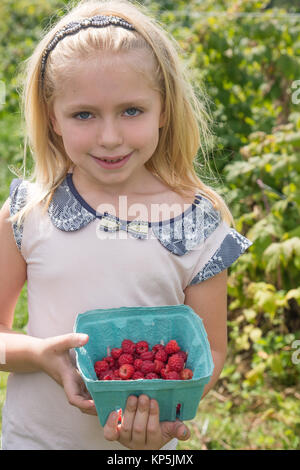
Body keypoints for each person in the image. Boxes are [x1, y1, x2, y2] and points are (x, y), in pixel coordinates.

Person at [0, 0, 252, 450]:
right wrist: (40, 355)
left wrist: (164, 416)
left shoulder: (197, 226)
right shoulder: (28, 211)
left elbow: (209, 351)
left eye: (132, 111)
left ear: (165, 110)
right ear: (53, 118)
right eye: (84, 114)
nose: (110, 136)